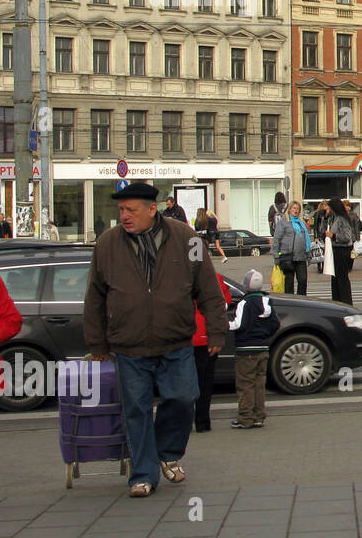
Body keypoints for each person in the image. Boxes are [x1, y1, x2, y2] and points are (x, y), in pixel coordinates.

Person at [83, 181, 228, 497]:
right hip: (128, 345)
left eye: (131, 210)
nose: (124, 216)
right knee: (136, 410)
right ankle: (142, 475)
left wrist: (217, 330)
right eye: (121, 210)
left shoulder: (186, 238)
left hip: (175, 341)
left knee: (184, 398)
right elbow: (94, 296)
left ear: (152, 209)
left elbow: (207, 287)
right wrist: (97, 343)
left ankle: (168, 452)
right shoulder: (107, 244)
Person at [228, 269, 280, 429]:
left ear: (246, 287)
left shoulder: (245, 303)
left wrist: (224, 324)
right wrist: (265, 337)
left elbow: (239, 324)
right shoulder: (267, 302)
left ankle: (245, 417)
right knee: (259, 384)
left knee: (245, 385)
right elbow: (275, 324)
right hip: (263, 349)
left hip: (246, 350)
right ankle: (259, 416)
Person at [191, 272, 232, 433]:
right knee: (205, 384)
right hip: (207, 337)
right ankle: (202, 422)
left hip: (184, 336)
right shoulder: (214, 276)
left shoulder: (179, 273)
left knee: (183, 384)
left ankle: (183, 422)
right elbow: (225, 301)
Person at [273, 200, 312, 296]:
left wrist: (308, 254)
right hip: (287, 257)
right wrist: (276, 256)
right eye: (294, 208)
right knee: (289, 283)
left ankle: (302, 300)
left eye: (298, 209)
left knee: (303, 280)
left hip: (301, 257)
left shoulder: (301, 223)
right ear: (289, 209)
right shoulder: (284, 222)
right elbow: (276, 239)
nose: (296, 210)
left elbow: (306, 239)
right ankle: (290, 302)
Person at [325, 196, 355, 305]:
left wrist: (333, 235)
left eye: (330, 207)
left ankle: (345, 302)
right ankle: (337, 301)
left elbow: (347, 237)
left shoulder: (342, 219)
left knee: (342, 279)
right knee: (336, 278)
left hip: (342, 251)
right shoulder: (335, 217)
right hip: (336, 251)